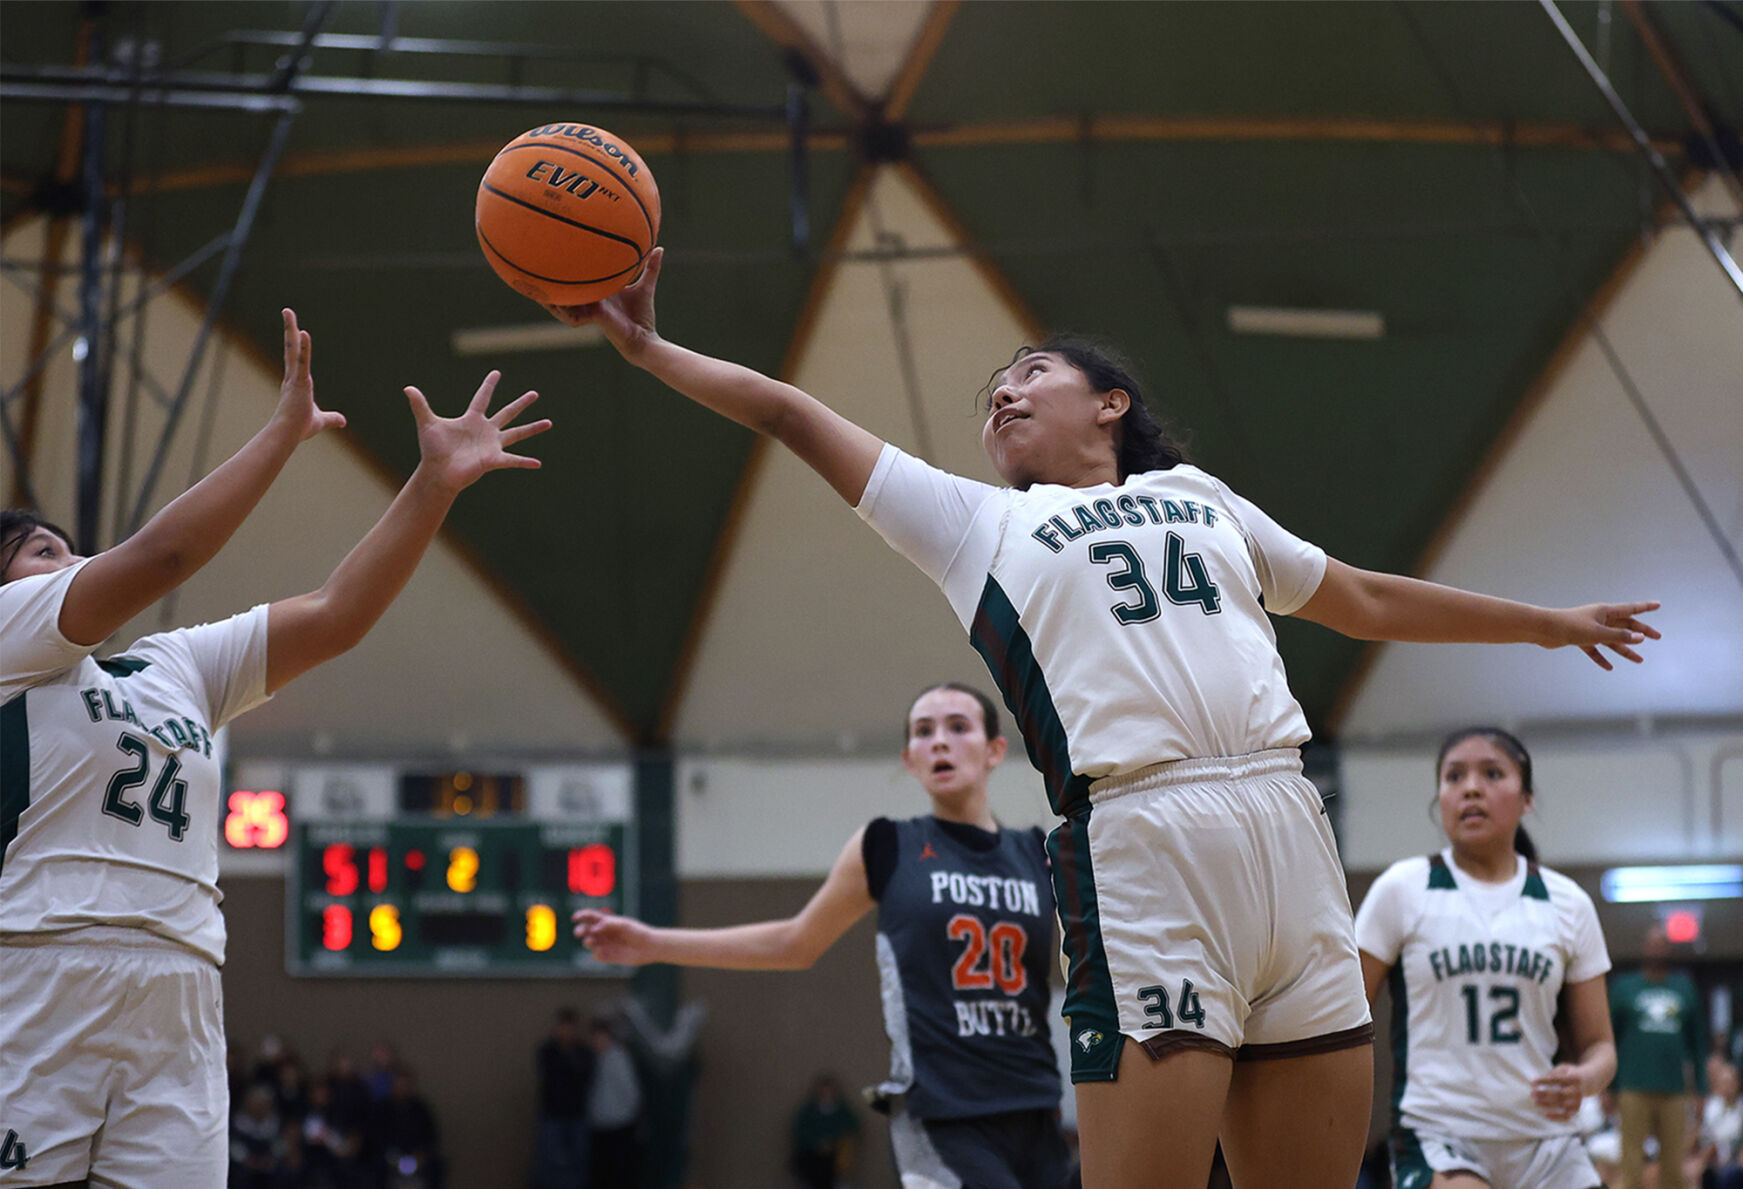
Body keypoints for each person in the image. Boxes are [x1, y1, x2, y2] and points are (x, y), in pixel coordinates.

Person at [549, 249, 1659, 1188]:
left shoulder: (1204, 497)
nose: (1002, 395)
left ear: (1111, 402)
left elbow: (1361, 596)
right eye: (992, 391)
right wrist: (651, 351)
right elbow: (789, 410)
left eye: (1029, 374)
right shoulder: (972, 525)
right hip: (1141, 839)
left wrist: (1544, 624)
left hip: (1288, 821)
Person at [0, 308, 549, 1189]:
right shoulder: (6, 643)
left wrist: (433, 484)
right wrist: (283, 432)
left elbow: (337, 616)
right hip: (39, 965)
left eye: (73, 548)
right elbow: (167, 552)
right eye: (41, 551)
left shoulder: (170, 665)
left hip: (183, 985)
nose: (69, 561)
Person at [575, 683, 1071, 1189]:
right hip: (944, 1114)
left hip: (1037, 1107)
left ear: (995, 750)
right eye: (924, 732)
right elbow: (793, 943)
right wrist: (654, 943)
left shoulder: (1037, 853)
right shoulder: (886, 846)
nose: (939, 741)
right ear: (909, 759)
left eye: (957, 727)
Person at [1355, 727, 1616, 1189]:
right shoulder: (1404, 888)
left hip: (1547, 1138)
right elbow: (1345, 1017)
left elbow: (1601, 1046)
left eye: (1492, 773)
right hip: (1440, 1133)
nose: (1471, 788)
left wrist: (1585, 1079)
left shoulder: (1567, 902)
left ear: (1527, 799)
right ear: (1440, 799)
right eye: (1454, 777)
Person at [1613, 924, 1710, 1189]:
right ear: (1644, 947)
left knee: (1674, 1169)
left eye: (1662, 943)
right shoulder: (1625, 988)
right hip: (1633, 1086)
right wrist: (1609, 1087)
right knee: (1631, 1166)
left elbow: (1698, 1045)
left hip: (1674, 1089)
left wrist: (1701, 1089)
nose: (1656, 948)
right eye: (1652, 943)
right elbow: (1610, 1039)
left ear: (1669, 949)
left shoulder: (1684, 989)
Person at [533, 1007, 597, 1189]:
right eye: (563, 1027)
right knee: (547, 1163)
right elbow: (551, 1074)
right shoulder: (547, 1050)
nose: (566, 1032)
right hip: (552, 1115)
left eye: (570, 1027)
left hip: (577, 1116)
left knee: (579, 1163)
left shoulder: (584, 1052)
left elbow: (585, 1076)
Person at [587, 1015, 643, 1189]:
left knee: (618, 1174)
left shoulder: (618, 1059)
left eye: (598, 1036)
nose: (594, 1041)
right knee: (601, 1174)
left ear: (606, 1037)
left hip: (618, 1127)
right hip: (599, 1126)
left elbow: (631, 1093)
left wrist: (627, 1115)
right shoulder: (595, 1059)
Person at [789, 1074, 860, 1189]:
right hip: (811, 1152)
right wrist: (817, 1143)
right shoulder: (809, 1111)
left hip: (835, 1154)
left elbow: (852, 1128)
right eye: (824, 1091)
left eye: (830, 1091)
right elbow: (800, 1131)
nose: (827, 1094)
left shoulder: (843, 1111)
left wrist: (832, 1142)